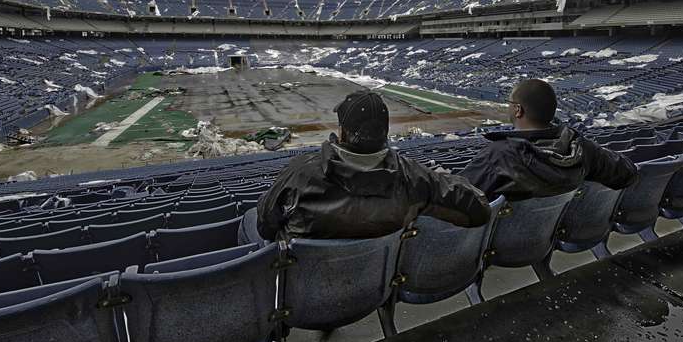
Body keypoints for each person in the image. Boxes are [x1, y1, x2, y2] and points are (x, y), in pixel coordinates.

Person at [251, 89, 490, 241]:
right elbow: (479, 209)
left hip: (303, 291)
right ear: (385, 132)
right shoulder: (412, 174)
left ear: (342, 131)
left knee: (249, 222)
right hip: (375, 289)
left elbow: (265, 228)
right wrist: (428, 199)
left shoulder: (301, 171)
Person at [459, 78, 638, 200]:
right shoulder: (582, 148)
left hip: (500, 248)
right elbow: (627, 173)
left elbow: (458, 200)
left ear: (518, 110)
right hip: (550, 240)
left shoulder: (498, 156)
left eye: (510, 104)